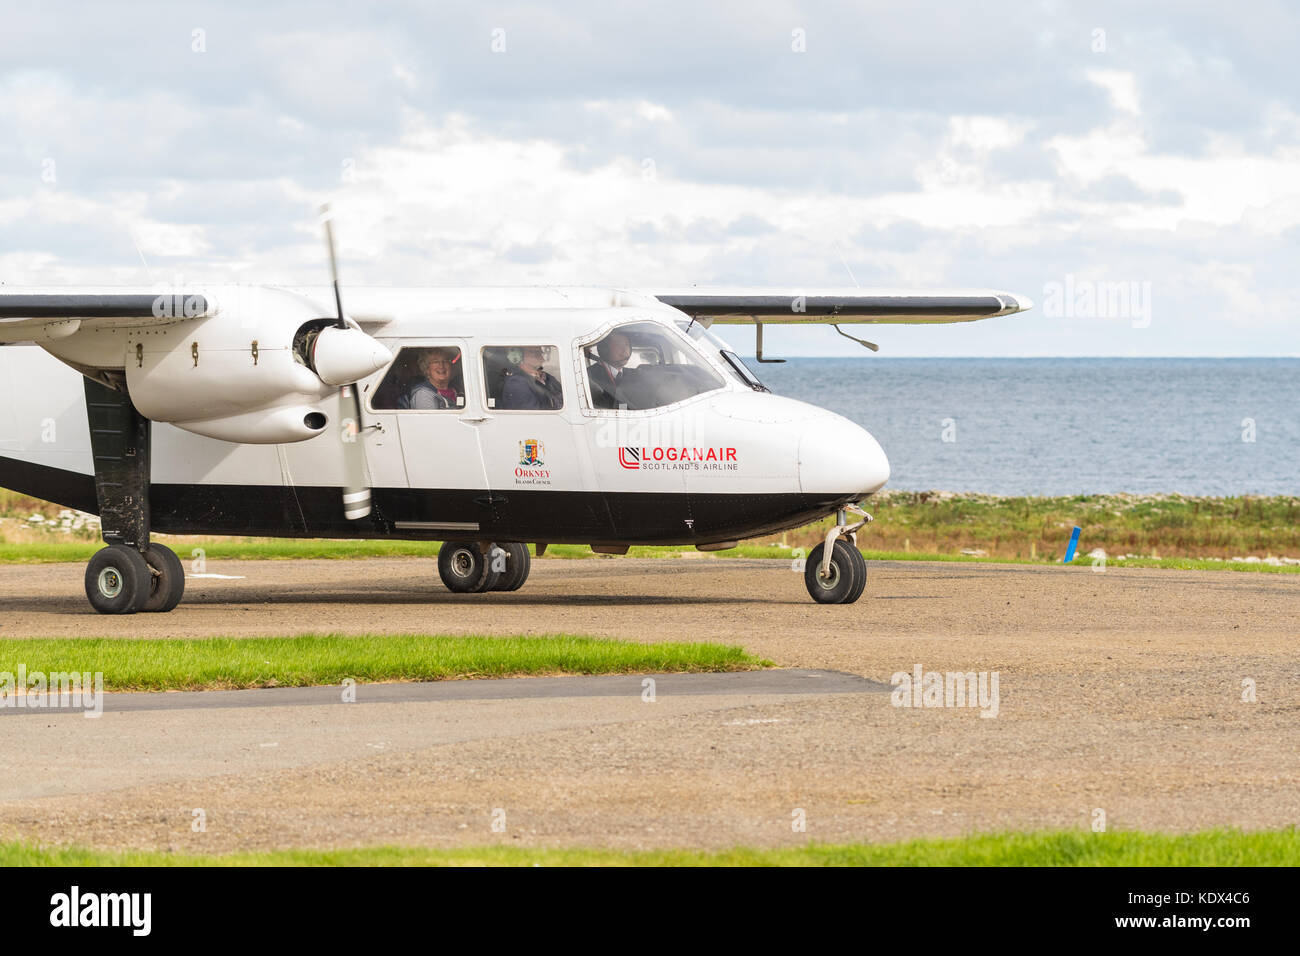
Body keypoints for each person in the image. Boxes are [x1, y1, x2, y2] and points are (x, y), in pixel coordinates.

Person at [588, 331, 631, 409]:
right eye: (619, 345)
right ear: (604, 349)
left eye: (627, 345)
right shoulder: (588, 376)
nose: (625, 350)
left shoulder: (635, 375)